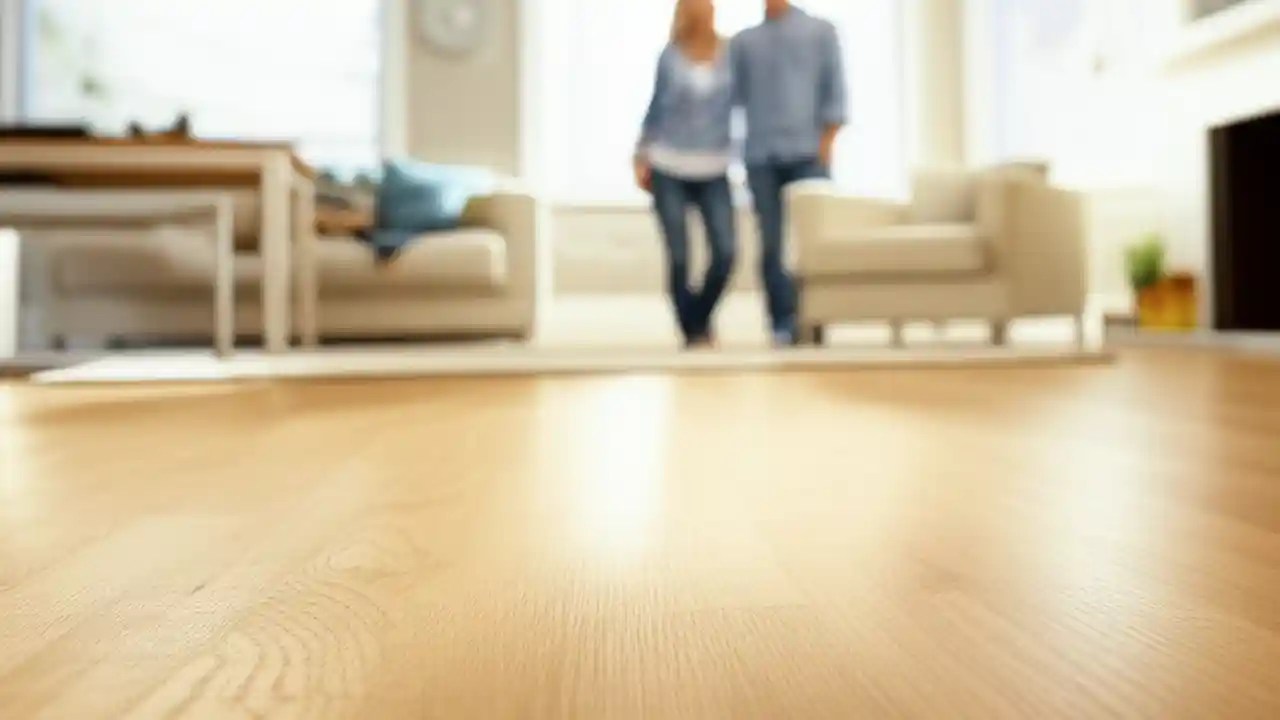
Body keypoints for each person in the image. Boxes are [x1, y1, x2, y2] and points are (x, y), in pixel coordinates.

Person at [732, 0, 847, 346]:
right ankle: (782, 323)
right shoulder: (745, 42)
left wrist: (827, 143)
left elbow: (835, 91)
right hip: (762, 157)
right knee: (771, 244)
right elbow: (728, 99)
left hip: (809, 154)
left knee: (814, 241)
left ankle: (815, 316)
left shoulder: (820, 32)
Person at [635, 0, 737, 349]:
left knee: (725, 252)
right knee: (679, 257)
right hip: (669, 164)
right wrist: (641, 155)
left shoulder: (731, 54)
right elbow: (656, 107)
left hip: (714, 166)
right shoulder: (670, 56)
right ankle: (693, 332)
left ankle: (699, 317)